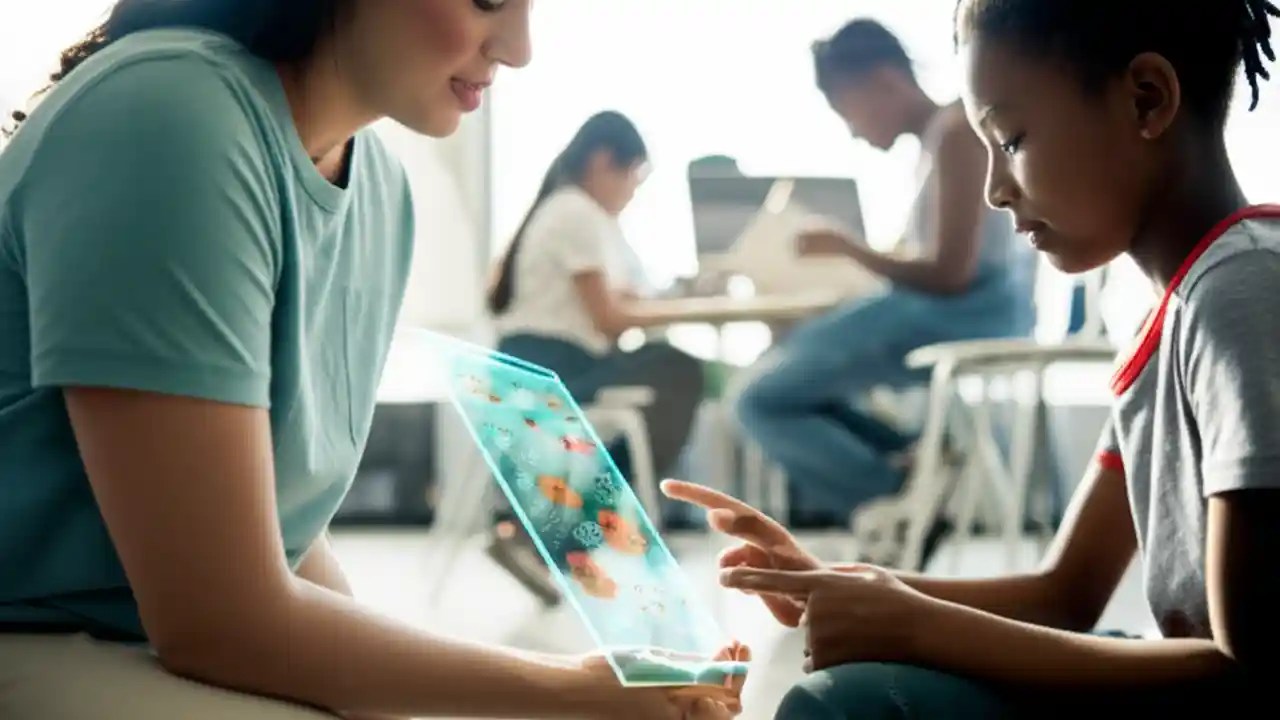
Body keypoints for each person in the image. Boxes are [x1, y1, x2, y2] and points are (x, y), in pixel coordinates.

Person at [0, 2, 746, 718]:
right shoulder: (168, 116)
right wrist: (582, 693)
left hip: (133, 637)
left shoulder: (380, 192)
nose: (519, 48)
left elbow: (279, 528)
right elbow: (217, 620)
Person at [666, 0, 1280, 715]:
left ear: (1147, 99)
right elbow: (1065, 593)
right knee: (845, 693)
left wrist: (920, 627)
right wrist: (842, 583)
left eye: (1012, 140)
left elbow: (1250, 669)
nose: (995, 188)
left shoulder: (1241, 294)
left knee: (842, 705)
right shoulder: (1170, 316)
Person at [734, 18, 1037, 528]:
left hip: (967, 313)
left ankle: (899, 491)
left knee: (758, 398)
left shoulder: (957, 133)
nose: (853, 130)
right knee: (782, 376)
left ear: (883, 81)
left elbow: (950, 273)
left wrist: (850, 249)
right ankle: (918, 464)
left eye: (846, 110)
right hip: (957, 308)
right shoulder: (939, 141)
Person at [487, 111, 705, 517]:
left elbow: (617, 297)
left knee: (668, 370)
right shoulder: (576, 212)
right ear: (603, 161)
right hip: (552, 366)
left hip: (534, 362)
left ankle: (592, 501)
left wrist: (661, 302)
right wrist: (682, 310)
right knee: (679, 371)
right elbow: (609, 318)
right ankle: (603, 506)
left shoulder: (567, 210)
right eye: (633, 177)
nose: (632, 193)